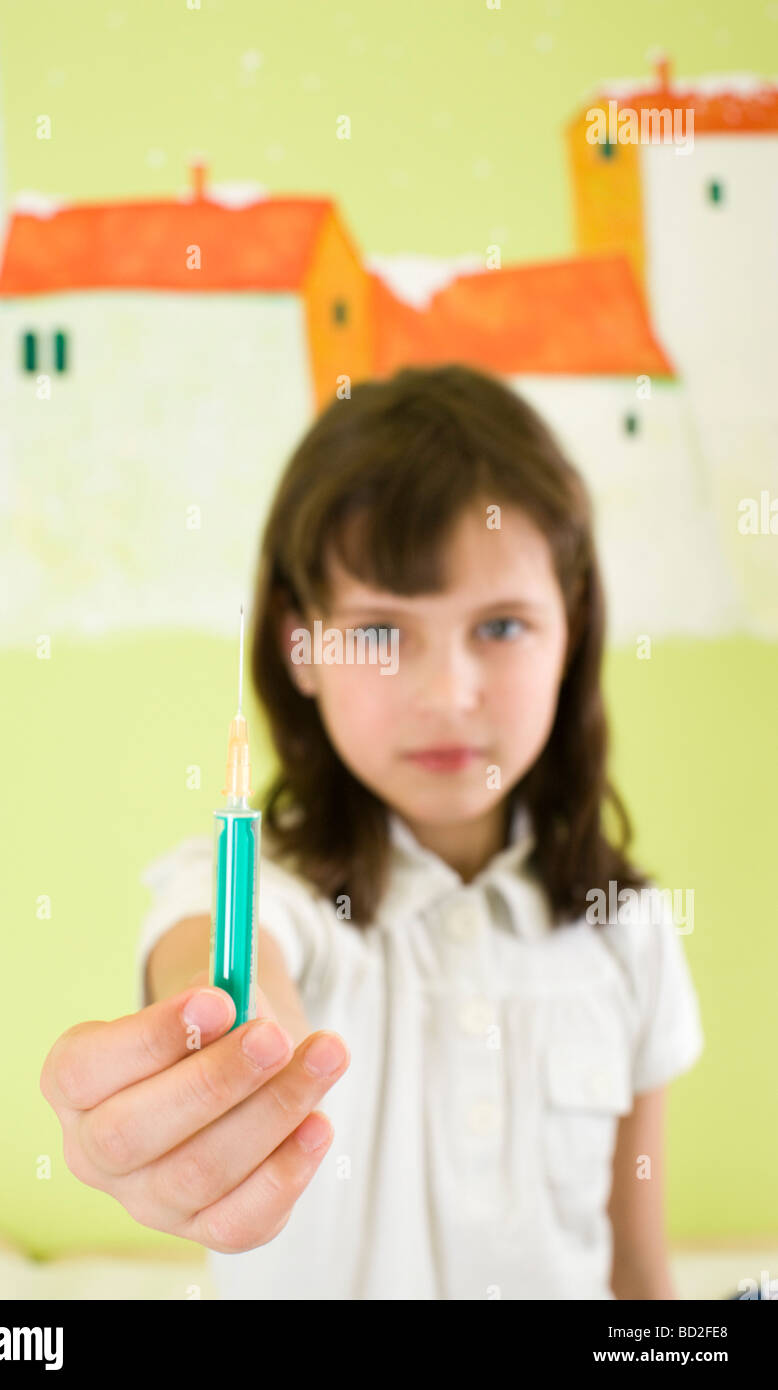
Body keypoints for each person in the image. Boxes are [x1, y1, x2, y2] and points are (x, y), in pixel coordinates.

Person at [41, 363, 705, 1300]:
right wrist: (220, 1055)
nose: (448, 695)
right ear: (296, 646)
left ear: (574, 632)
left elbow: (637, 1277)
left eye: (503, 627)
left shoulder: (627, 931)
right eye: (381, 633)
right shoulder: (255, 894)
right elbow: (220, 962)